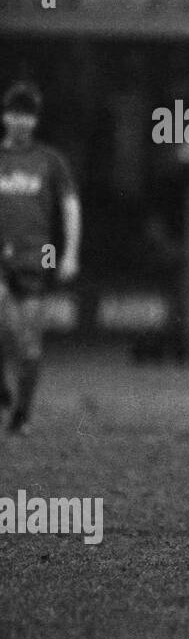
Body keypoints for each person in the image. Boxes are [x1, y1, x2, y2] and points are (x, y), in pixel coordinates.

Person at [0, 79, 82, 434]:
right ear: (5, 116)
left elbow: (70, 205)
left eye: (28, 115)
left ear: (35, 121)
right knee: (5, 324)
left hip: (40, 257)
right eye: (15, 113)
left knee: (29, 340)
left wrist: (70, 253)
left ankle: (23, 412)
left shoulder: (49, 161)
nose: (21, 121)